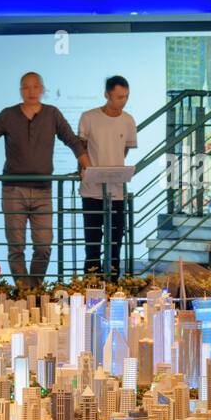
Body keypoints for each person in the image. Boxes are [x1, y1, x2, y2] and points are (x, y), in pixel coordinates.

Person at [0, 72, 89, 291]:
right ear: (21, 90)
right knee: (16, 246)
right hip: (13, 190)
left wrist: (87, 166)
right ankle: (24, 292)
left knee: (44, 245)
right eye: (26, 87)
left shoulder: (52, 114)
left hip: (43, 190)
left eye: (35, 86)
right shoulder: (8, 115)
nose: (31, 91)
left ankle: (33, 290)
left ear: (42, 89)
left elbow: (72, 141)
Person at [78, 75, 138, 279]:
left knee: (115, 243)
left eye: (126, 97)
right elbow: (81, 147)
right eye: (119, 97)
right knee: (92, 244)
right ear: (107, 95)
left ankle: (113, 286)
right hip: (91, 191)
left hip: (118, 192)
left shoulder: (128, 120)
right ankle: (90, 288)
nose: (123, 101)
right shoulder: (89, 117)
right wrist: (84, 169)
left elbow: (126, 149)